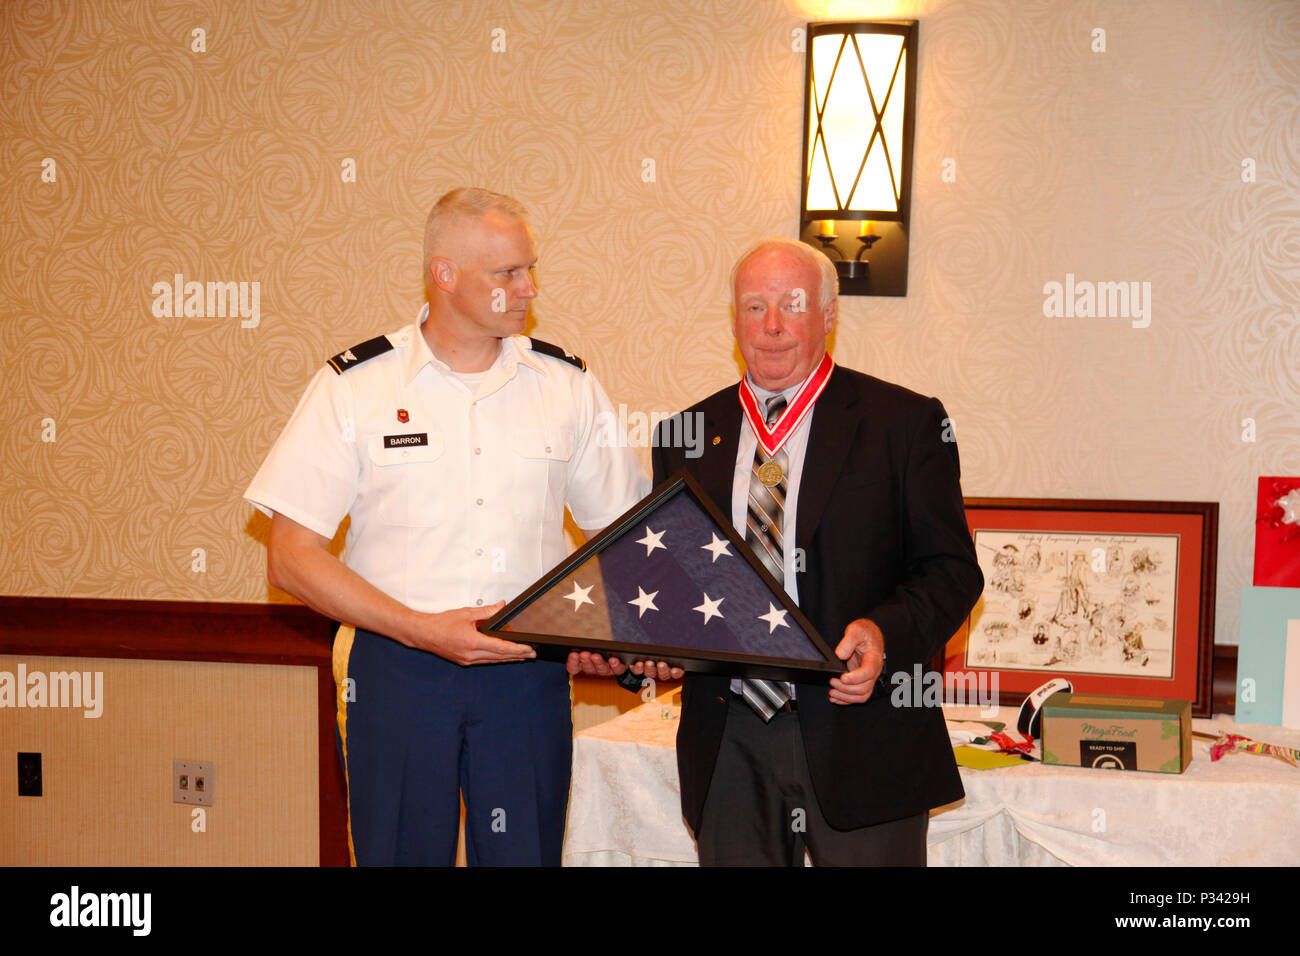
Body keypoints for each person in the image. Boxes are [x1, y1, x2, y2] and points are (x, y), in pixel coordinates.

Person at [244, 187, 648, 866]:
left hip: (526, 674)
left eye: (530, 268)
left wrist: (611, 638)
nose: (529, 287)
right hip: (398, 671)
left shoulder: (566, 386)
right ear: (445, 274)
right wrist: (420, 628)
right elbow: (289, 557)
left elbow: (631, 541)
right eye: (508, 273)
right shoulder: (358, 386)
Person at [575, 237, 983, 865]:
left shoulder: (904, 423)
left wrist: (884, 632)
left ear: (828, 314)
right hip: (728, 738)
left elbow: (951, 572)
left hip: (864, 736)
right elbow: (667, 588)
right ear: (734, 319)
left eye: (790, 305)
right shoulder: (684, 437)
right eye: (753, 306)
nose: (770, 327)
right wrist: (633, 658)